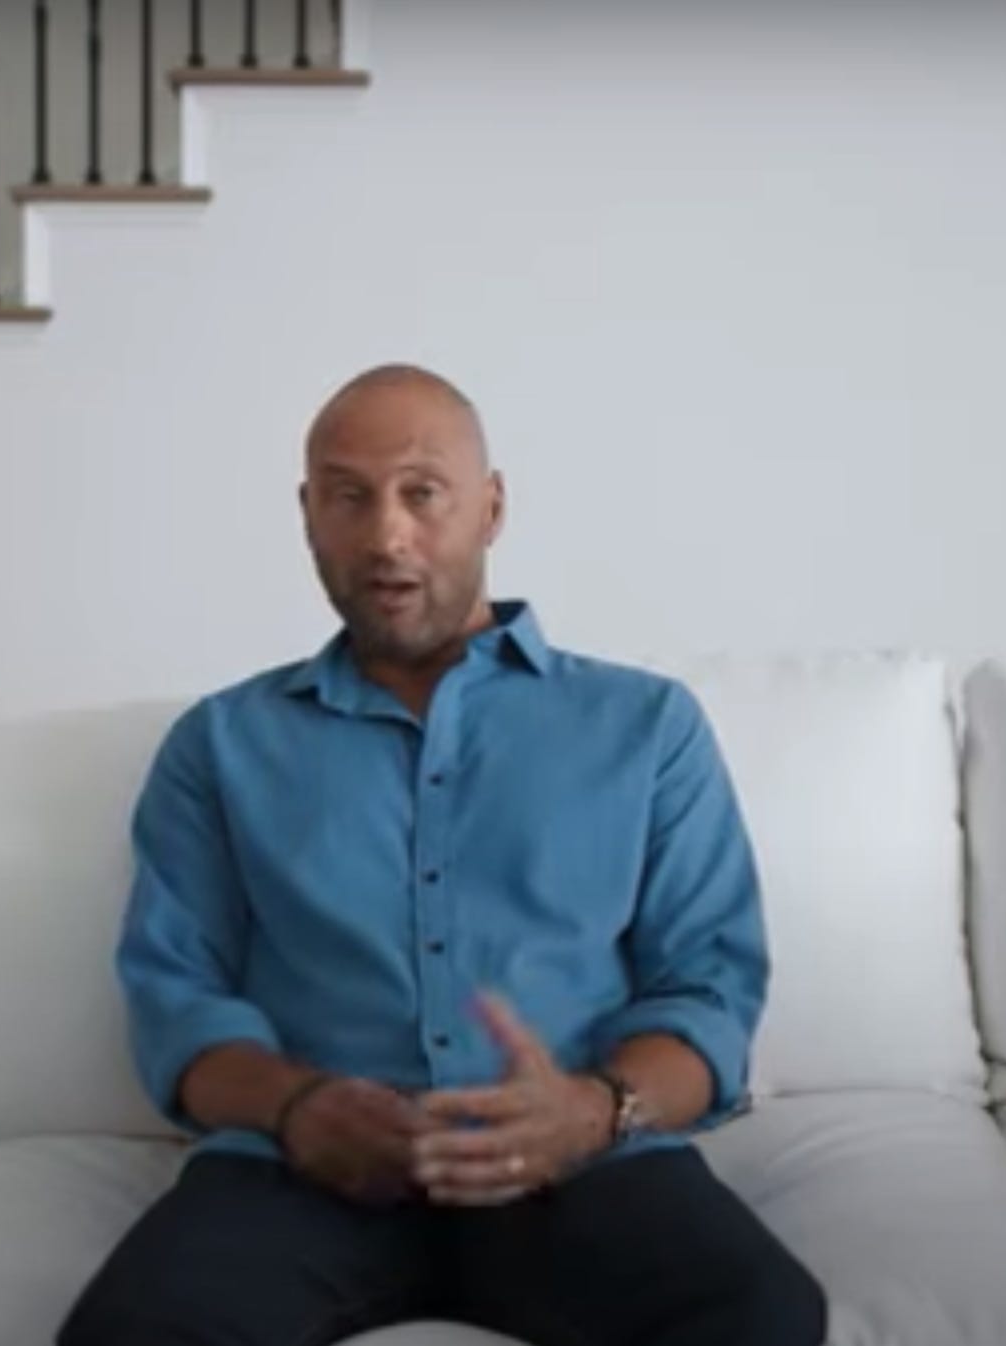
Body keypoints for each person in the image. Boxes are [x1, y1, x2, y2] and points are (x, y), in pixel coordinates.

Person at [56, 365, 828, 1346]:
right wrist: (296, 1105)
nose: (386, 535)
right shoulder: (221, 743)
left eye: (422, 492)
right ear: (307, 515)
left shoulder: (647, 727)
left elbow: (708, 991)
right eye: (349, 496)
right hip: (303, 1171)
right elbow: (177, 999)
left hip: (580, 1165)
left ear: (491, 507)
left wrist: (590, 1110)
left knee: (763, 1316)